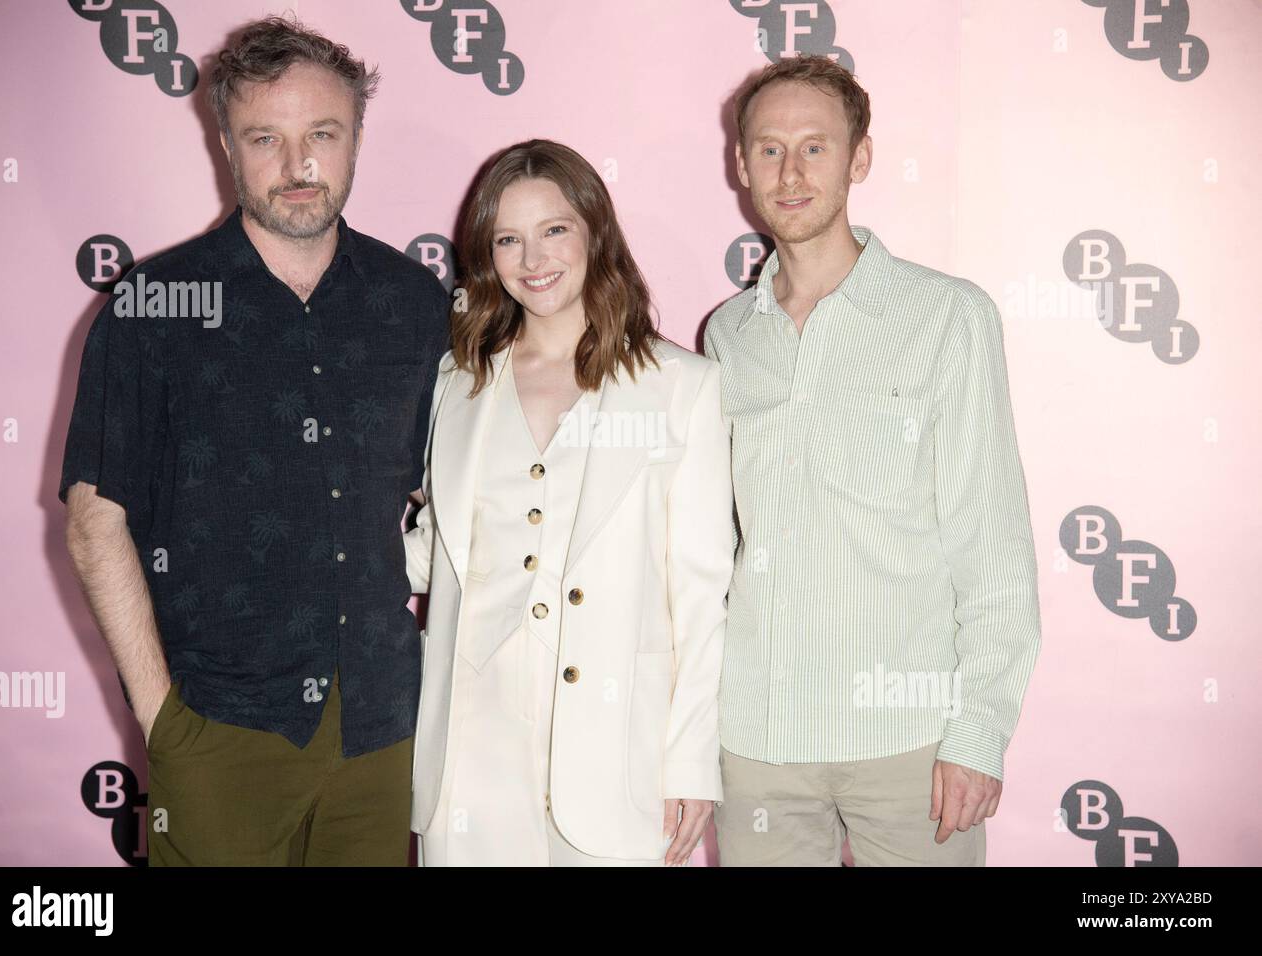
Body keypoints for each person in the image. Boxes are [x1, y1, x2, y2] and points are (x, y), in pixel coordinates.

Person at [59, 14, 448, 865]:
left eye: (322, 134)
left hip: (384, 730)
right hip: (218, 728)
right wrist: (164, 719)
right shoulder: (151, 307)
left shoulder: (416, 305)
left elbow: (449, 495)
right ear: (226, 147)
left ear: (354, 141)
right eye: (265, 138)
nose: (298, 164)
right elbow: (95, 523)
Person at [704, 55, 1042, 866]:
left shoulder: (947, 318)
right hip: (758, 738)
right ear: (740, 163)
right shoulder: (725, 337)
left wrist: (977, 733)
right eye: (769, 148)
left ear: (859, 159)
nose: (790, 173)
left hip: (912, 741)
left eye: (815, 148)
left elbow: (991, 542)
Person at [404, 139, 731, 866]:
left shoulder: (682, 387)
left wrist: (690, 763)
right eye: (508, 240)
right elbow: (432, 549)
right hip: (471, 750)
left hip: (616, 753)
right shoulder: (458, 383)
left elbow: (702, 595)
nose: (533, 259)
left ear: (593, 232)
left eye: (553, 230)